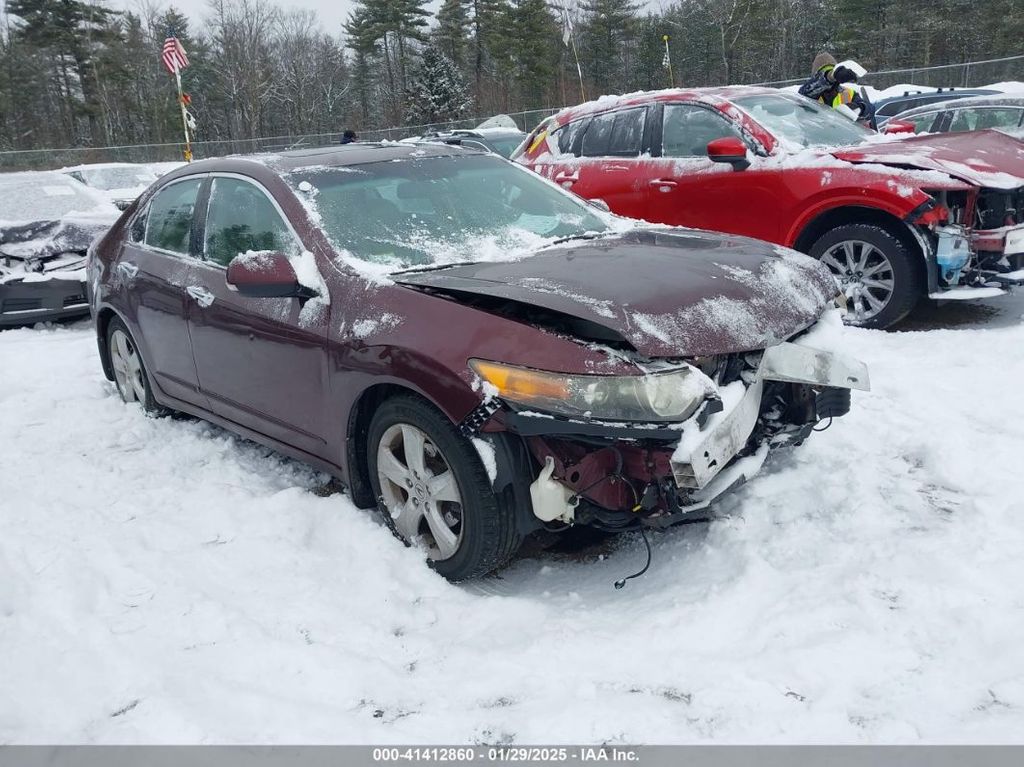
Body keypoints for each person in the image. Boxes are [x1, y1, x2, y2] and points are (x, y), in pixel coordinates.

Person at [798, 53, 875, 127]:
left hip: (845, 138)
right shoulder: (807, 95)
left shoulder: (848, 93)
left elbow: (870, 110)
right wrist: (830, 76)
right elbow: (805, 91)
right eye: (823, 73)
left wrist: (861, 108)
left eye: (832, 71)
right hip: (816, 138)